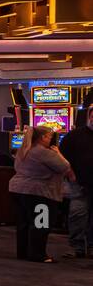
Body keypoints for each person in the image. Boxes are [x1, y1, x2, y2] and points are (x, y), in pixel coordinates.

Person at [10, 125, 76, 263]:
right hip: (39, 192)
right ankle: (38, 254)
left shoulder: (24, 150)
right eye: (50, 137)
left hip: (18, 190)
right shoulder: (43, 152)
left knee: (24, 223)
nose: (51, 140)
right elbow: (65, 166)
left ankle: (23, 252)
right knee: (41, 224)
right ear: (43, 137)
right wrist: (58, 152)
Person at [58, 104, 93, 258]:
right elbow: (60, 157)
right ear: (89, 117)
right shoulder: (74, 135)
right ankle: (76, 247)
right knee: (77, 215)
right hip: (78, 183)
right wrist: (70, 173)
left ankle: (91, 247)